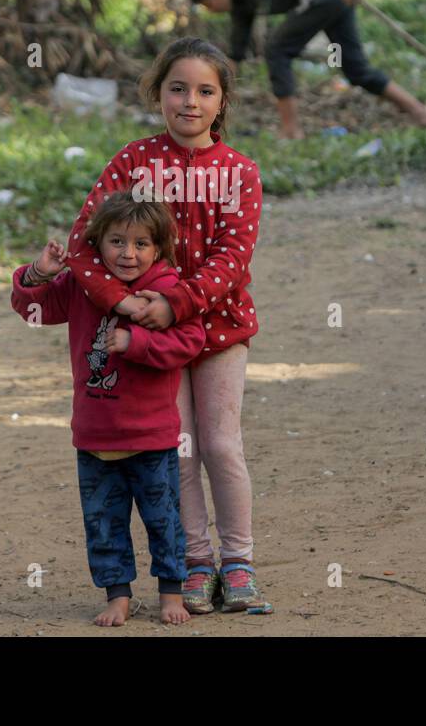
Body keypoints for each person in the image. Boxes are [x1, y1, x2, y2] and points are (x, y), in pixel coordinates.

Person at [60, 36, 267, 615]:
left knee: (222, 445)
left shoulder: (240, 174)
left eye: (205, 91)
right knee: (177, 451)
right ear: (158, 94)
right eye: (178, 88)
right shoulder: (132, 164)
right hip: (150, 338)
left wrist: (177, 304)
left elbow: (234, 258)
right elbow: (82, 244)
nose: (190, 102)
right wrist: (127, 306)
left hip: (219, 329)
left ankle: (239, 563)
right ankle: (196, 565)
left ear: (222, 101)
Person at [11, 191, 205, 626]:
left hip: (151, 436)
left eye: (140, 244)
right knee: (103, 523)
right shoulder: (81, 289)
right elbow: (33, 310)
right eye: (117, 241)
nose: (128, 253)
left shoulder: (168, 292)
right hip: (95, 434)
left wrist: (136, 342)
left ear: (158, 249)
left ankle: (171, 592)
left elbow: (189, 343)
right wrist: (39, 273)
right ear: (97, 243)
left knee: (164, 520)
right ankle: (117, 594)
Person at [189, 0, 426, 139]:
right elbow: (235, 57)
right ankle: (420, 111)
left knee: (277, 48)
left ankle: (291, 131)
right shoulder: (241, 9)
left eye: (209, 5)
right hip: (325, 1)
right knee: (355, 70)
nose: (212, 11)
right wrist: (209, 100)